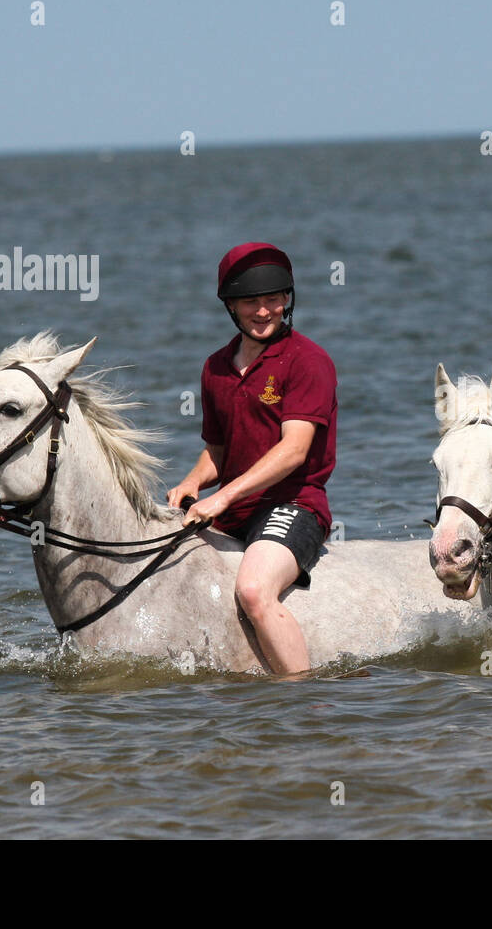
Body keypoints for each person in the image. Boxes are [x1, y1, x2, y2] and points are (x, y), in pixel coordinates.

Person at [167, 242, 337, 675]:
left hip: (293, 504)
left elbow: (294, 451)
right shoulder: (216, 368)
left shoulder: (309, 361)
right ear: (230, 305)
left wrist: (221, 499)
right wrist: (193, 482)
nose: (264, 312)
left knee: (255, 592)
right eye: (250, 302)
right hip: (233, 509)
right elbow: (219, 452)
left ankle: (304, 697)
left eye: (273, 300)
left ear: (287, 300)